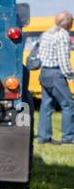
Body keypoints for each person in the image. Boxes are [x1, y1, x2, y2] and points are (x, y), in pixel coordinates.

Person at [35, 10, 74, 144]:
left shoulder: (47, 33)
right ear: (68, 22)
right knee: (68, 104)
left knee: (46, 105)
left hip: (44, 72)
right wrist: (70, 75)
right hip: (55, 74)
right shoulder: (62, 35)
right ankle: (68, 137)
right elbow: (63, 59)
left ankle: (43, 137)